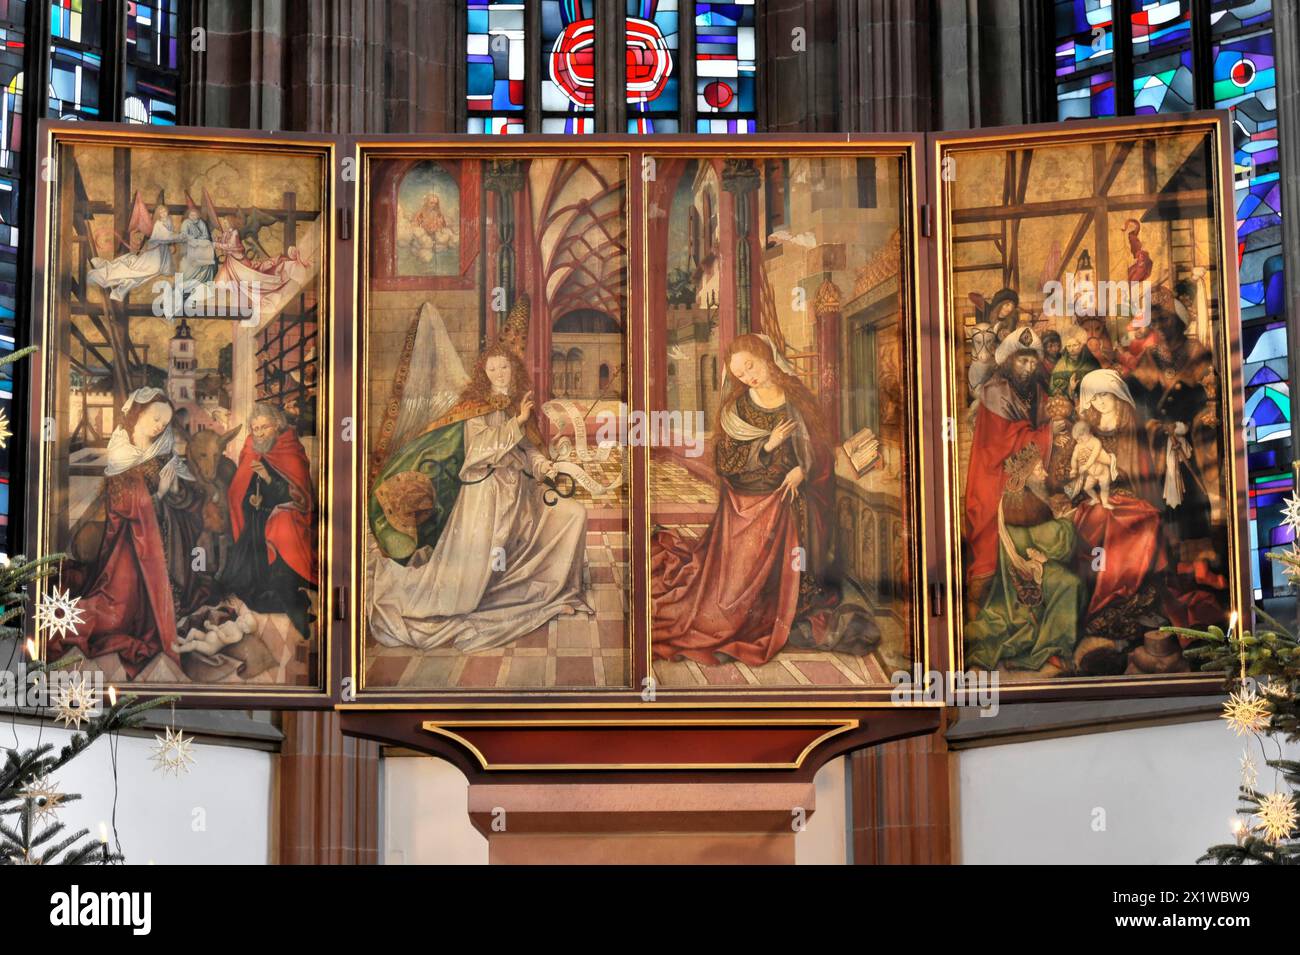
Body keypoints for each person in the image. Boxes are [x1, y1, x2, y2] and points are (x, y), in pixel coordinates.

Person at [367, 299, 588, 652]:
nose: (500, 375)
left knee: (575, 514)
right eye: (493, 369)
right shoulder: (476, 408)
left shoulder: (519, 404)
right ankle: (492, 595)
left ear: (513, 370)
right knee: (470, 585)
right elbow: (480, 452)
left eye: (504, 369)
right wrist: (515, 425)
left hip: (522, 497)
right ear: (484, 373)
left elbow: (526, 451)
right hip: (486, 500)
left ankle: (555, 584)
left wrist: (543, 465)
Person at [651, 333, 877, 666]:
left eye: (751, 366)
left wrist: (803, 469)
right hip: (748, 501)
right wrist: (767, 446)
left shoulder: (797, 397)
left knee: (792, 532)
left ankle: (788, 599)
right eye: (740, 374)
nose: (748, 376)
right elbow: (727, 463)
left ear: (767, 356)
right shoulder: (736, 409)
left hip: (795, 497)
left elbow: (821, 447)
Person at [56, 389, 202, 677]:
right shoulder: (122, 452)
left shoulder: (163, 451)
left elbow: (182, 496)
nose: (161, 425)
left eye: (165, 421)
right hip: (127, 546)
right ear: (138, 414)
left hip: (159, 538)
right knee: (118, 610)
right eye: (156, 417)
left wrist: (173, 493)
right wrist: (159, 492)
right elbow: (124, 504)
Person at [965, 444, 1086, 674]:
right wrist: (1065, 521)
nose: (1045, 474)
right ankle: (1051, 648)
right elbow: (1056, 544)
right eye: (1040, 469)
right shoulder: (1028, 503)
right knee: (1071, 584)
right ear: (1027, 474)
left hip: (1020, 563)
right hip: (1025, 569)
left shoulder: (1016, 495)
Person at [963, 327, 1053, 613]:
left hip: (1030, 475)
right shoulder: (994, 392)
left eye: (1032, 361)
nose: (1028, 368)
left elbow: (1046, 423)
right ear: (1008, 360)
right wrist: (1046, 435)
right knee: (989, 524)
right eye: (1021, 361)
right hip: (994, 477)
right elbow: (1002, 446)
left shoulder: (1038, 391)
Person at [220, 403, 317, 638]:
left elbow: (299, 496)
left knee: (279, 560)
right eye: (255, 429)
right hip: (258, 516)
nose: (260, 433)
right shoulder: (252, 447)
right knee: (243, 583)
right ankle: (289, 601)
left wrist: (268, 479)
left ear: (277, 426)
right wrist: (251, 499)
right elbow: (240, 490)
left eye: (264, 427)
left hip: (286, 516)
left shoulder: (290, 450)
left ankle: (295, 606)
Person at [1066, 419, 1115, 509]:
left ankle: (1105, 503)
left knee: (1104, 487)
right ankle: (1095, 499)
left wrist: (1086, 466)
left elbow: (1094, 456)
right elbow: (1074, 458)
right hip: (1092, 474)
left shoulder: (1095, 442)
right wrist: (1074, 469)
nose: (1080, 440)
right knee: (1087, 488)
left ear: (1088, 432)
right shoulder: (1078, 446)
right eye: (1077, 439)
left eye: (1081, 436)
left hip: (1102, 472)